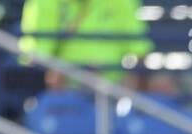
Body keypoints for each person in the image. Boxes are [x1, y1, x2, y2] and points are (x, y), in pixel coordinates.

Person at [18, 0, 153, 88]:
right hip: (66, 88)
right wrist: (55, 74)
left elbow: (139, 52)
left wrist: (130, 82)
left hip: (113, 88)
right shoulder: (43, 3)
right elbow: (35, 58)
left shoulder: (121, 2)